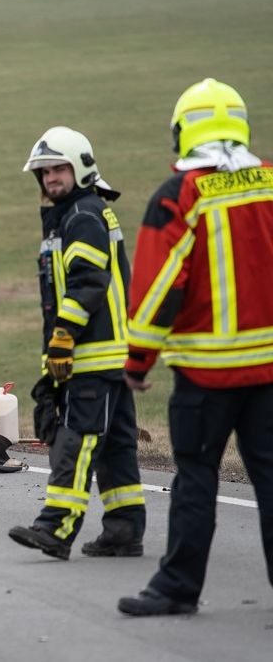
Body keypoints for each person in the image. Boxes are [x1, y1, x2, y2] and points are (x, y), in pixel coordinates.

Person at [118, 79, 273, 616]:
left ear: (184, 132)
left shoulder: (179, 195)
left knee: (196, 479)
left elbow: (161, 285)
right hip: (270, 372)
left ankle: (177, 588)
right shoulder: (270, 183)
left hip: (206, 375)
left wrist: (139, 359)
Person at [8, 126, 146, 560]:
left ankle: (55, 528)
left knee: (76, 443)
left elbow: (87, 283)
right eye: (44, 172)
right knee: (117, 447)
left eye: (59, 169)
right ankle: (124, 531)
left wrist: (63, 340)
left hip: (91, 356)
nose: (50, 179)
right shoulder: (81, 212)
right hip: (110, 356)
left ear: (81, 168)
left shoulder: (81, 216)